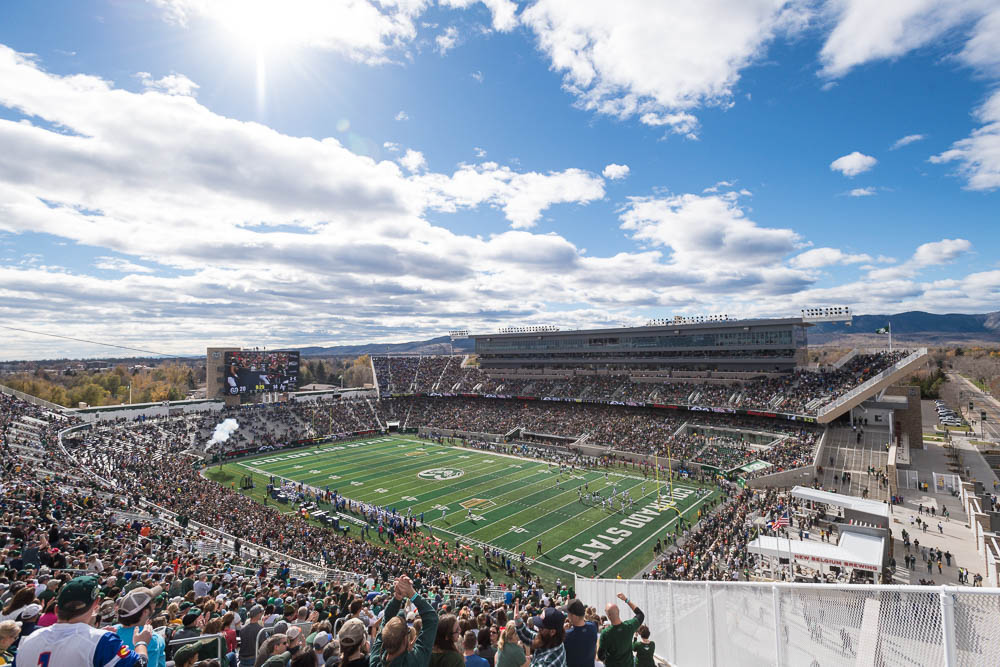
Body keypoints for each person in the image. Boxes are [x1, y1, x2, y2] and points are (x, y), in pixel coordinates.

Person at [14, 575, 152, 666]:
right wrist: (141, 643)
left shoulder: (28, 640)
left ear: (57, 610)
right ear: (95, 605)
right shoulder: (102, 641)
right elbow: (140, 664)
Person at [369, 575, 439, 667]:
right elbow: (431, 618)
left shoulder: (375, 661)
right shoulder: (415, 661)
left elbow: (386, 619)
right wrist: (412, 594)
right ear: (405, 639)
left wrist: (398, 597)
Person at [115, 585, 167, 667]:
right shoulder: (153, 639)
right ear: (145, 612)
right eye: (153, 600)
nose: (155, 603)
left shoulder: (110, 632)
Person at [597, 593, 644, 667]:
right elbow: (640, 614)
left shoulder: (605, 633)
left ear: (608, 616)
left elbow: (601, 656)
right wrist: (626, 600)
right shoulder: (629, 626)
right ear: (618, 612)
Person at [562, 600, 596, 667]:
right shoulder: (593, 627)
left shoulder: (567, 635)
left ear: (574, 616)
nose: (567, 616)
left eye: (568, 613)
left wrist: (563, 631)